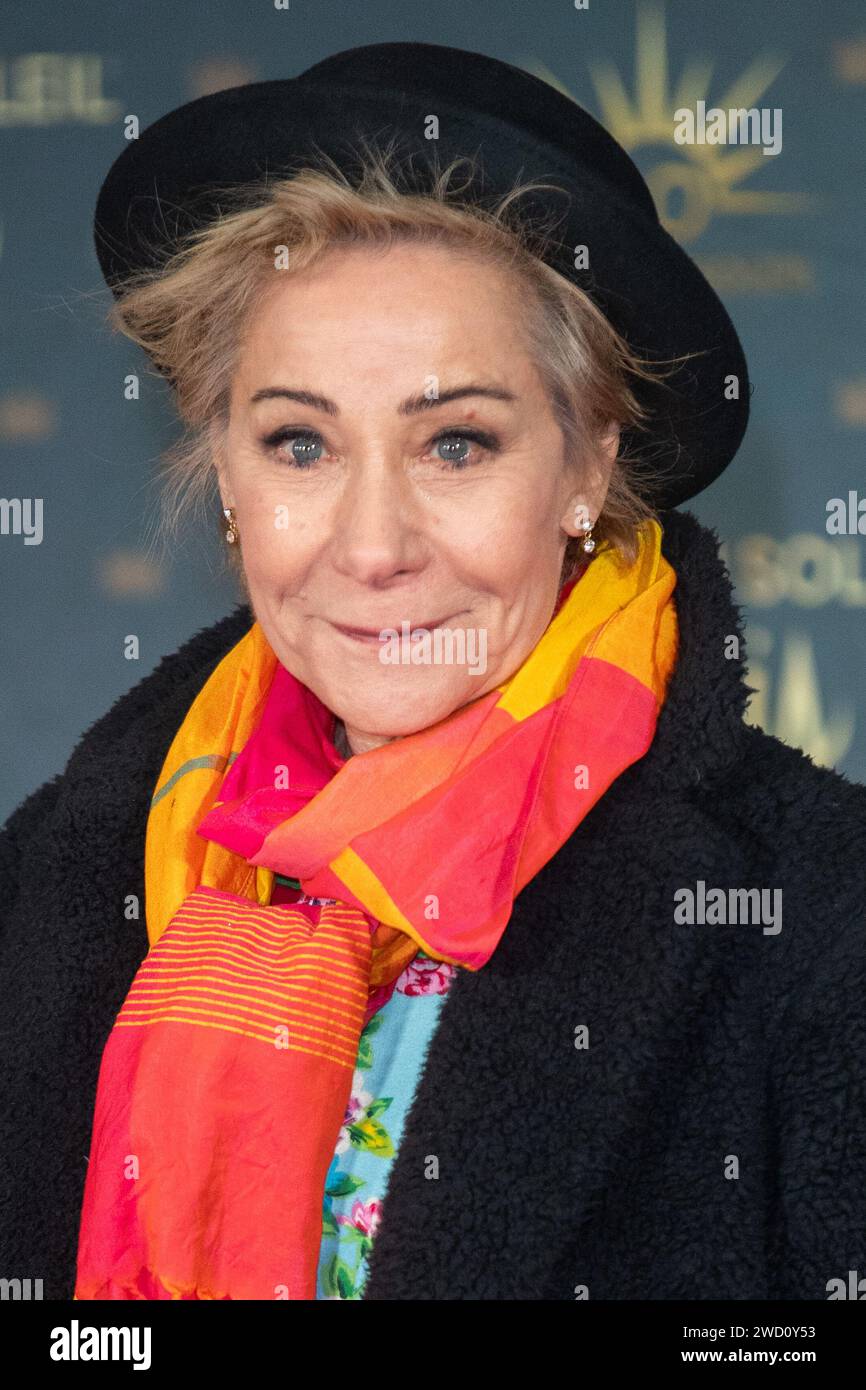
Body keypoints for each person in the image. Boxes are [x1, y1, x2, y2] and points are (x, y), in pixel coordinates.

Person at [1, 41, 864, 1303]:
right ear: (226, 476)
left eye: (455, 443)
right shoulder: (51, 884)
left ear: (585, 468)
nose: (371, 546)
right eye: (298, 442)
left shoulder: (821, 916)